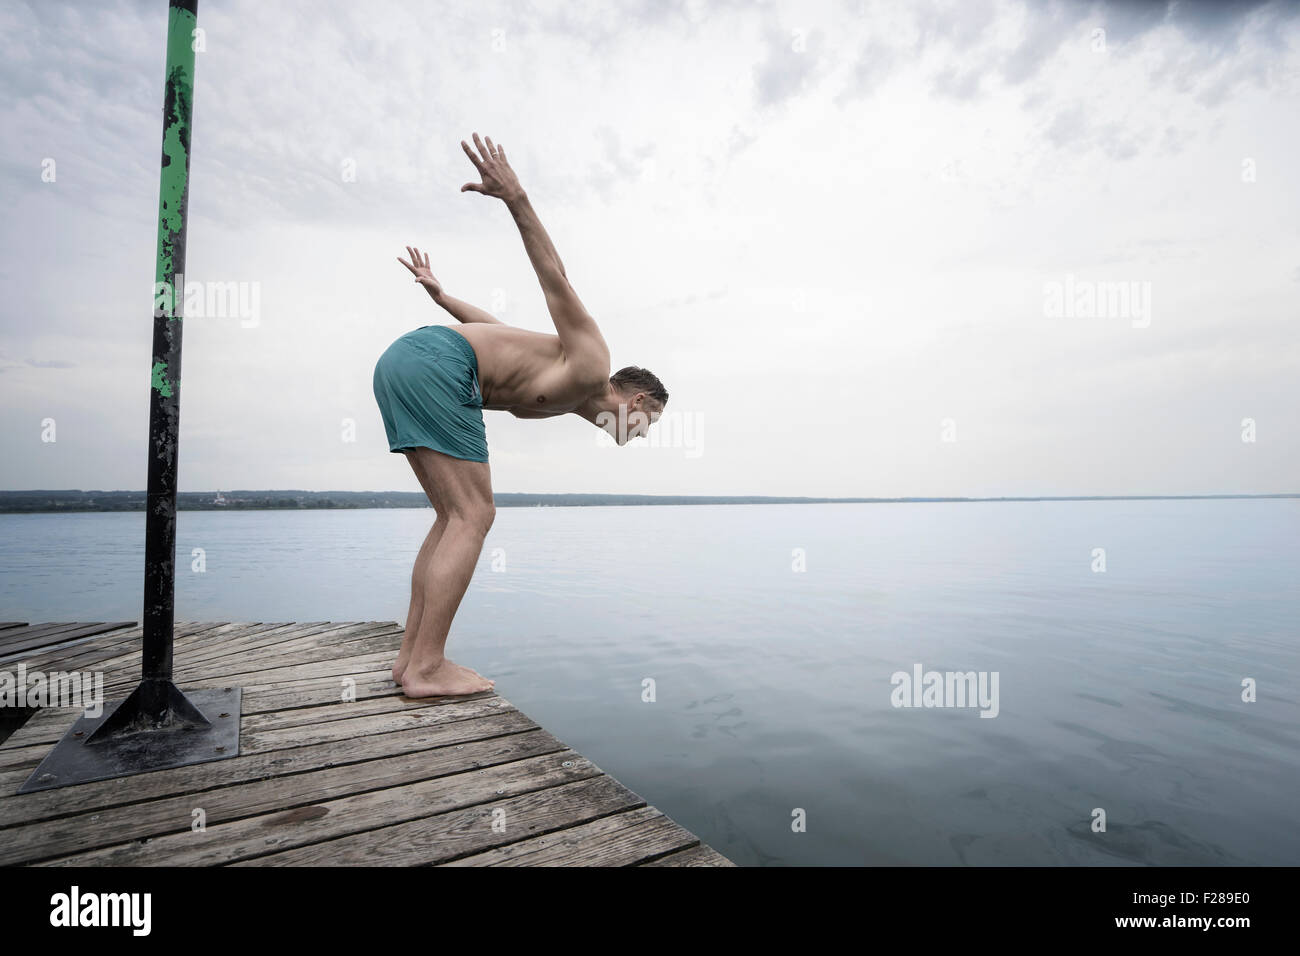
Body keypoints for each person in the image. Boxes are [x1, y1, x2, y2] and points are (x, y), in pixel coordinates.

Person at [373, 133, 669, 697]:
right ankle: (428, 668)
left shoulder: (567, 388)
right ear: (636, 402)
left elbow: (494, 331)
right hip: (437, 365)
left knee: (451, 517)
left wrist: (443, 297)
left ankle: (410, 658)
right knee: (474, 516)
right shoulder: (589, 363)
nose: (642, 435)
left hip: (410, 360)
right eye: (647, 423)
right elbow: (556, 277)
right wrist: (517, 198)